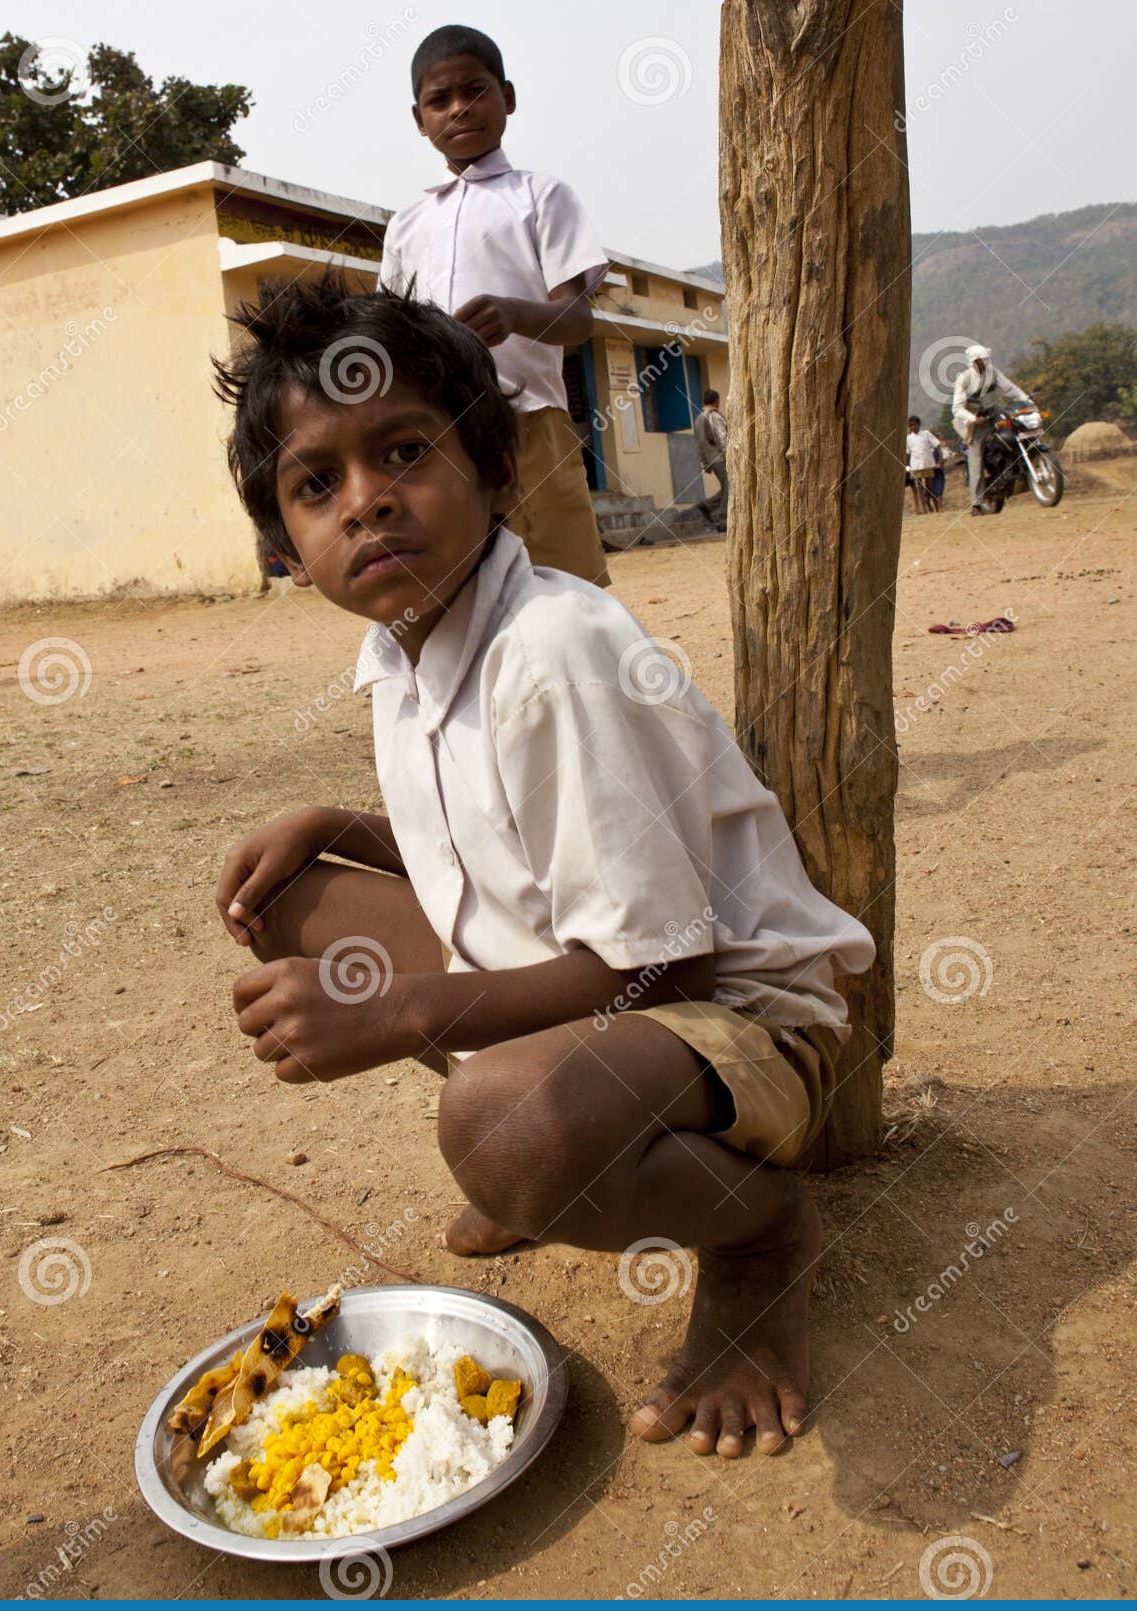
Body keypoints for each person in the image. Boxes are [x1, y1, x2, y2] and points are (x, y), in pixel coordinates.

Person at [211, 275, 876, 1459]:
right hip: (610, 989)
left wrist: (406, 1007)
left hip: (743, 1015)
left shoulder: (556, 651)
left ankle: (753, 1239)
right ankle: (562, 1137)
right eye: (318, 485)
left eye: (404, 452)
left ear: (498, 473)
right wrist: (332, 823)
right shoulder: (399, 652)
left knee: (503, 1128)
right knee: (293, 900)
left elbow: (662, 971)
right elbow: (481, 849)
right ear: (283, 543)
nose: (367, 503)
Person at [378, 24, 610, 586]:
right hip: (442, 433)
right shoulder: (408, 225)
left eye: (474, 91)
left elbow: (578, 319)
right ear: (420, 119)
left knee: (568, 586)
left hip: (531, 425)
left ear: (506, 96)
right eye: (440, 100)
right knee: (459, 589)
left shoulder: (541, 197)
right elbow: (392, 336)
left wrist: (514, 314)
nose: (459, 109)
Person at [952, 344, 1031, 515]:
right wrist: (974, 419)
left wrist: (1026, 401)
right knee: (976, 460)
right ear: (973, 362)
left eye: (985, 360)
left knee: (1017, 429)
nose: (984, 363)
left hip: (993, 412)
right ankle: (976, 504)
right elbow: (957, 409)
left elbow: (1009, 389)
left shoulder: (992, 372)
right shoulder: (964, 379)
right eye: (980, 361)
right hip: (974, 421)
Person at [693, 389, 728, 533]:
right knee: (731, 488)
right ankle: (723, 520)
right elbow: (721, 438)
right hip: (720, 457)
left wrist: (705, 463)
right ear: (716, 401)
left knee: (727, 487)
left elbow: (699, 444)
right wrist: (729, 456)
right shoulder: (714, 416)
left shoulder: (698, 418)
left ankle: (706, 506)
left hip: (711, 459)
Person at [905, 415, 941, 515]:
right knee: (919, 487)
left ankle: (935, 507)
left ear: (919, 424)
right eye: (911, 425)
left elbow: (937, 445)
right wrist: (907, 467)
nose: (913, 427)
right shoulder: (908, 438)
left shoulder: (926, 434)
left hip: (927, 463)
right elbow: (907, 453)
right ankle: (924, 509)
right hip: (915, 466)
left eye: (915, 425)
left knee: (930, 487)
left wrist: (940, 460)